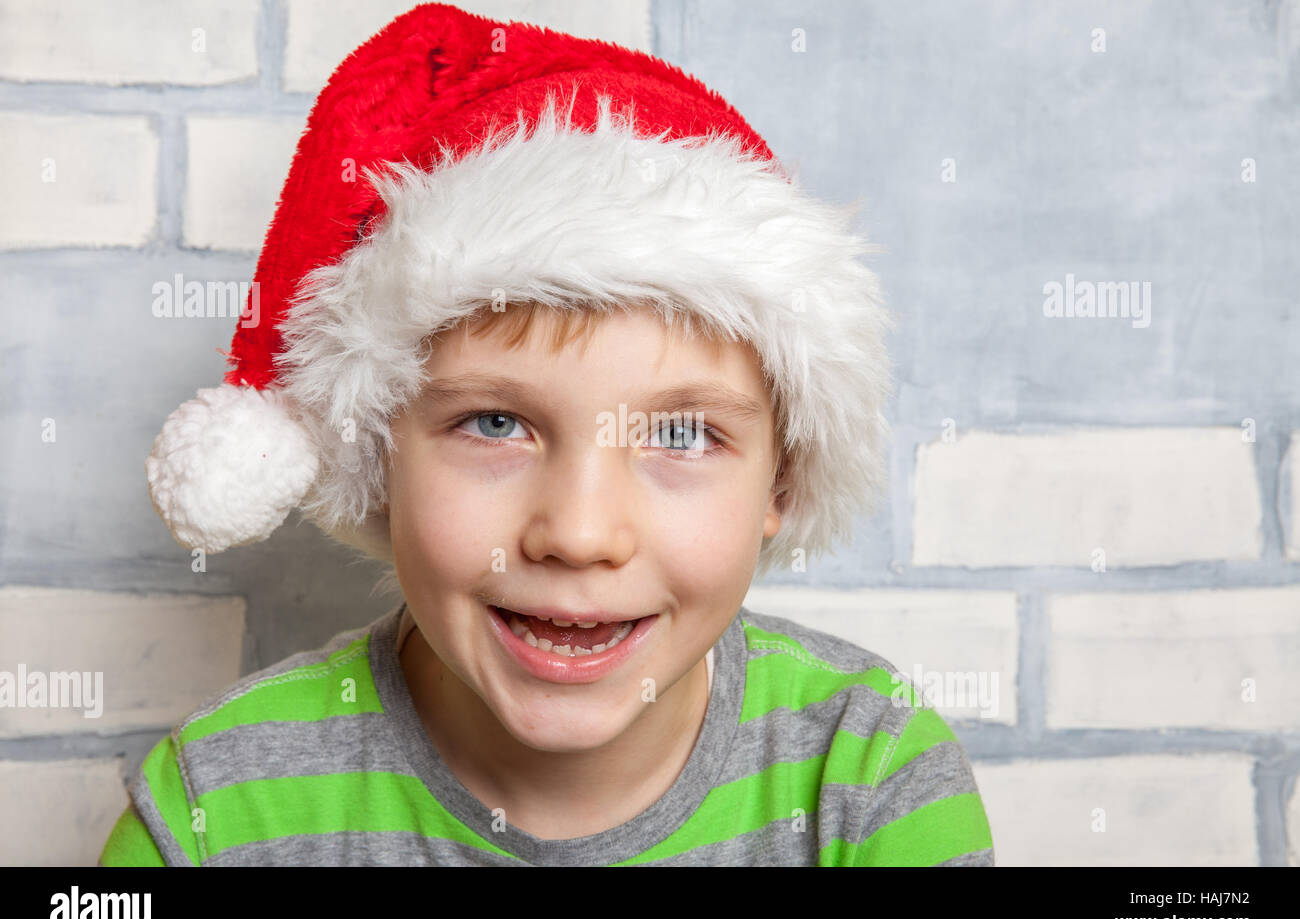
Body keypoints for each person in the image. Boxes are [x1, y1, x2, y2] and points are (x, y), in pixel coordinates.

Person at [101, 2, 993, 866]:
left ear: (783, 483)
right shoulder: (217, 811)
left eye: (681, 435)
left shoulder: (869, 779)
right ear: (377, 453)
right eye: (496, 423)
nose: (578, 533)